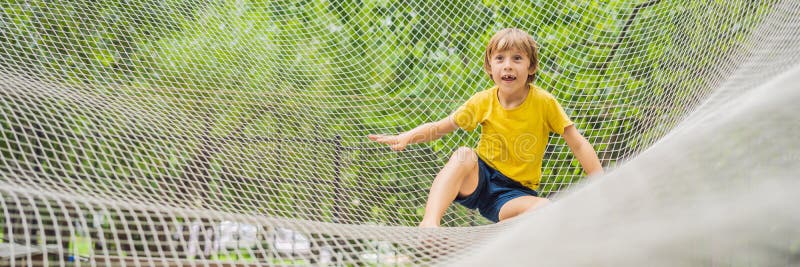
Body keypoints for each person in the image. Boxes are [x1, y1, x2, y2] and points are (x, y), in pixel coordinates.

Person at [368, 28, 603, 227]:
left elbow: (578, 143)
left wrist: (601, 182)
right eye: (500, 59)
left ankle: (502, 240)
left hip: (513, 194)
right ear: (490, 68)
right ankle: (429, 223)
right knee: (463, 154)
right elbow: (441, 127)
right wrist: (407, 136)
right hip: (479, 178)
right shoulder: (483, 101)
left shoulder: (545, 103)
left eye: (517, 58)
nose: (508, 66)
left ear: (531, 68)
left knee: (544, 207)